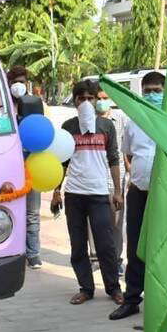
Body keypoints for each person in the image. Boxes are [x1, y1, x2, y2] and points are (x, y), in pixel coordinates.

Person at [109, 73, 167, 325]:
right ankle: (132, 299)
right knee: (135, 246)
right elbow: (128, 154)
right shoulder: (135, 121)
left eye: (157, 90)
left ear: (166, 91)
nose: (152, 94)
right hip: (139, 192)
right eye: (147, 91)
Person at [51, 80, 124, 306]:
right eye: (81, 99)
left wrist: (118, 191)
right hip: (74, 193)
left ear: (96, 100)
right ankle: (86, 288)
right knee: (78, 244)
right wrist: (56, 190)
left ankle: (113, 288)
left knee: (106, 244)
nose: (85, 102)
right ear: (74, 102)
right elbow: (61, 161)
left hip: (99, 193)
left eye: (89, 98)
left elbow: (113, 159)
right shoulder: (68, 127)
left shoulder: (106, 126)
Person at [7, 66, 45, 269]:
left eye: (22, 81)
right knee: (9, 210)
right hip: (9, 165)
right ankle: (12, 252)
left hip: (31, 163)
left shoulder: (34, 104)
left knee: (32, 212)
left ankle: (33, 253)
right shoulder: (2, 105)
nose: (19, 85)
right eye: (15, 82)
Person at [96, 89, 126, 275]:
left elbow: (125, 149)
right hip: (96, 176)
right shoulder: (88, 119)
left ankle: (116, 259)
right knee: (98, 221)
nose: (101, 102)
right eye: (98, 98)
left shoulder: (121, 119)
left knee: (116, 221)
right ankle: (96, 257)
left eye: (105, 98)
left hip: (117, 176)